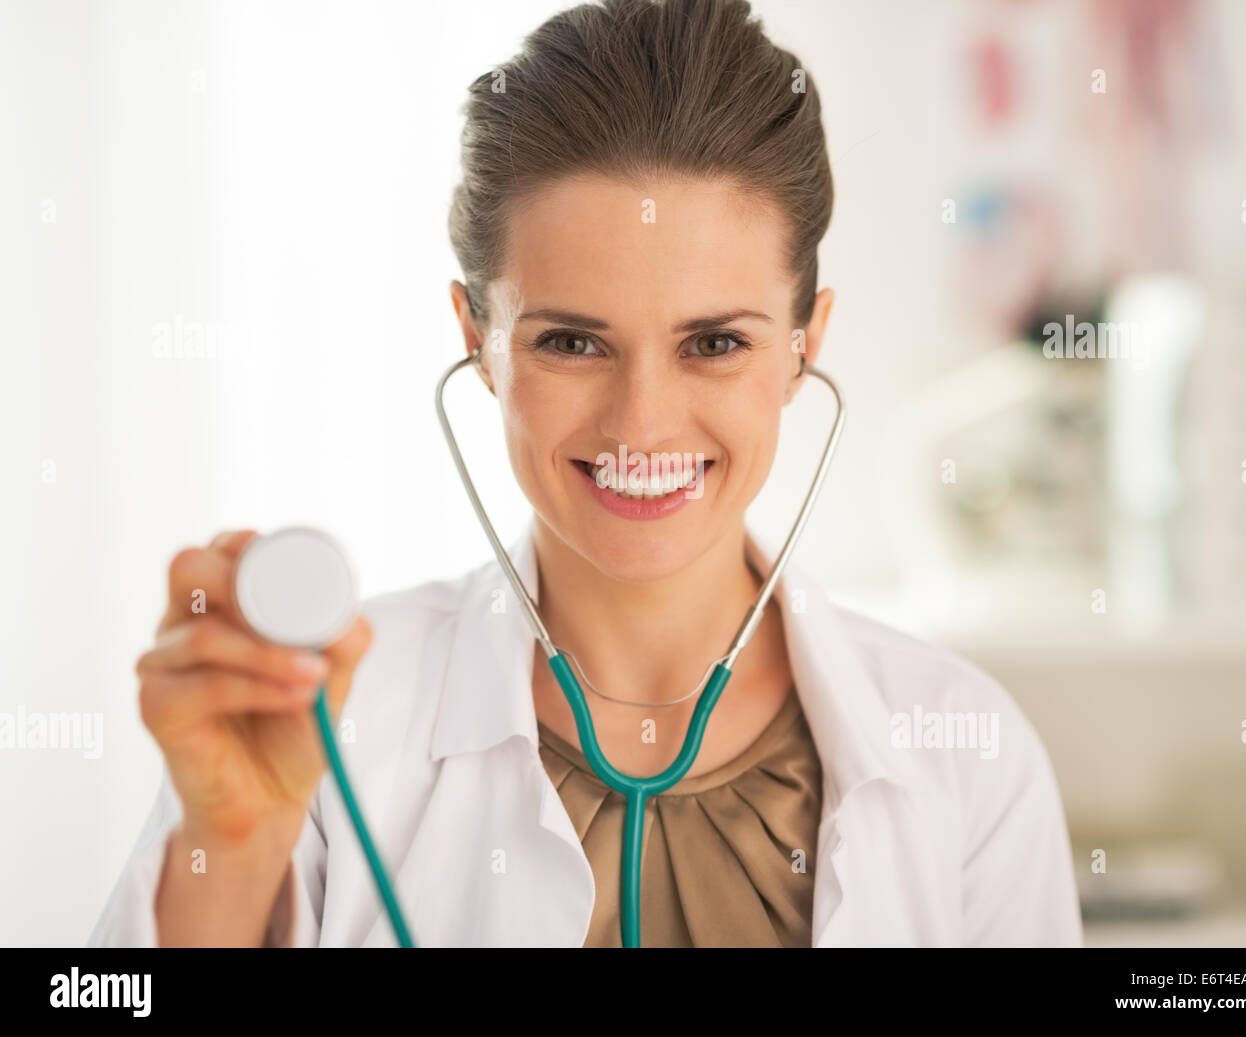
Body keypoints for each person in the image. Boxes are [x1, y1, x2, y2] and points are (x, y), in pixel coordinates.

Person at [89, 0, 1082, 947]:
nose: (641, 421)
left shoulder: (964, 751)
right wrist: (230, 844)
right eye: (570, 340)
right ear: (477, 339)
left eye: (714, 342)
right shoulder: (316, 715)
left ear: (801, 346)